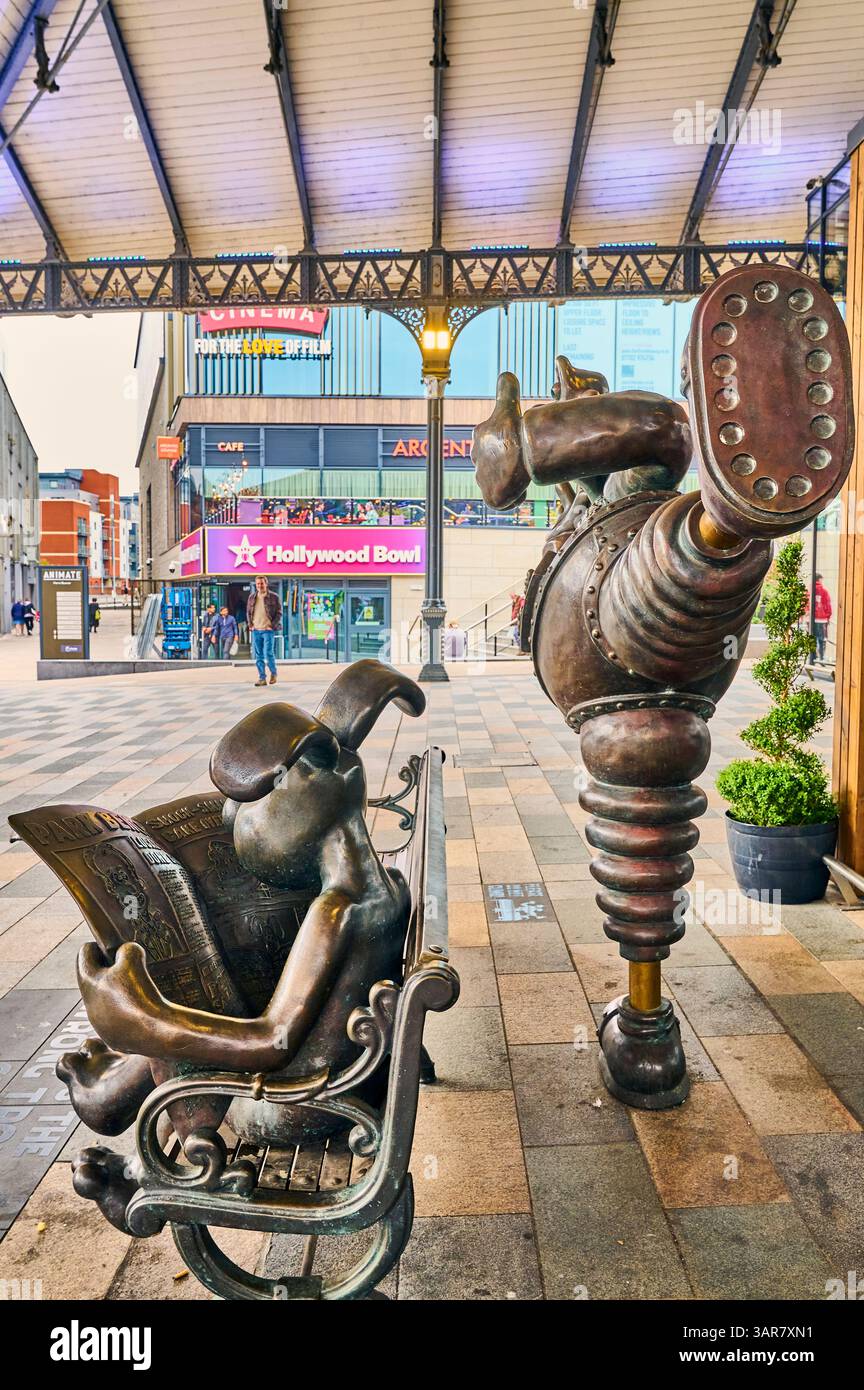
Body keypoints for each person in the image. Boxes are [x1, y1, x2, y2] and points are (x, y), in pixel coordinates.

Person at [247, 575, 281, 687]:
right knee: (258, 655)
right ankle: (262, 678)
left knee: (268, 653)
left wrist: (272, 625)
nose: (260, 586)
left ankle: (273, 673)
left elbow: (279, 613)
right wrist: (250, 625)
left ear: (266, 584)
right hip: (256, 630)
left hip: (268, 630)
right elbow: (248, 612)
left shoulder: (274, 597)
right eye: (258, 584)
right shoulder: (252, 597)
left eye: (261, 583)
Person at [813, 573, 832, 663]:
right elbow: (827, 604)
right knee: (821, 638)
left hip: (810, 619)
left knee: (812, 638)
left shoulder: (809, 590)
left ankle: (812, 657)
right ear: (819, 579)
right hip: (821, 618)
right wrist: (828, 616)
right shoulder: (823, 591)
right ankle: (821, 657)